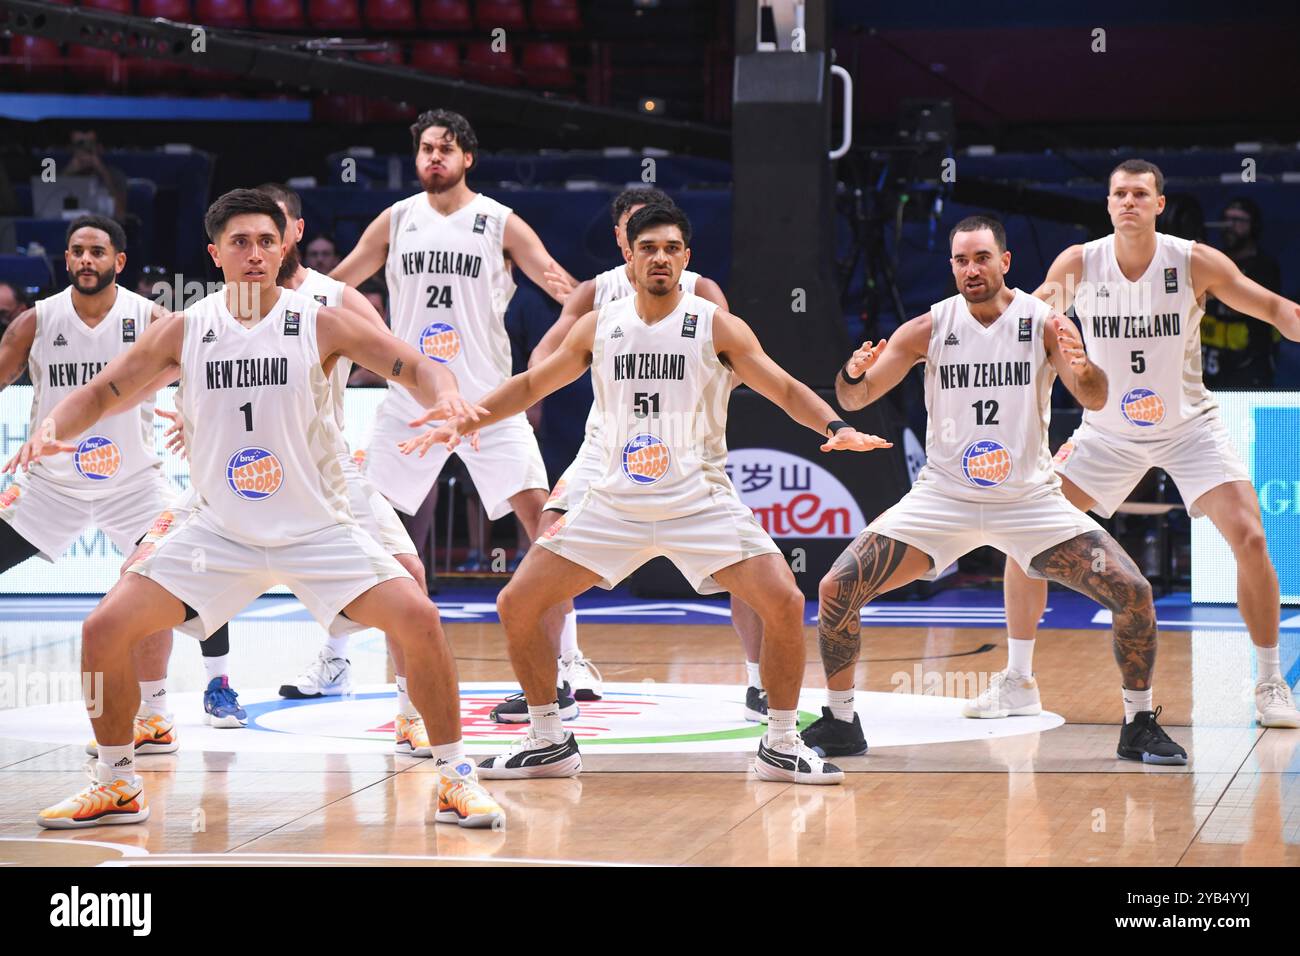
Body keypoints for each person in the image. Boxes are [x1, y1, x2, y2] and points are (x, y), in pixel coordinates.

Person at [16, 189, 503, 829]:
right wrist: (52, 426)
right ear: (214, 253)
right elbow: (104, 390)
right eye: (240, 243)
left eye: (267, 242)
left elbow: (413, 362)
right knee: (102, 629)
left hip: (316, 527)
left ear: (284, 248)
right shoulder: (186, 329)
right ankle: (116, 782)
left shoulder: (319, 320)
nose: (254, 254)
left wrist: (443, 396)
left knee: (418, 616)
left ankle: (455, 775)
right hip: (217, 529)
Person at [402, 204, 891, 784]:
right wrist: (467, 420)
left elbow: (784, 387)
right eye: (648, 248)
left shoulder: (715, 325)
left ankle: (781, 744)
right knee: (516, 604)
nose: (661, 257)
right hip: (614, 503)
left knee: (783, 601)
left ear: (687, 258)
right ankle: (549, 740)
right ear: (629, 259)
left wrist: (835, 427)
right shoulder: (598, 324)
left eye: (672, 248)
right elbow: (533, 383)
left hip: (698, 501)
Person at [803, 214, 1187, 765]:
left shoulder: (1046, 323)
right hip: (944, 499)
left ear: (1005, 262)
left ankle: (1138, 724)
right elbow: (855, 400)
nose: (971, 269)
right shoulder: (930, 328)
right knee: (837, 588)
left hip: (1028, 501)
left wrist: (1086, 367)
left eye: (982, 257)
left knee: (1133, 592)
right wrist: (851, 370)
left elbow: (1096, 398)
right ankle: (841, 723)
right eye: (961, 260)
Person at [996, 160, 1300, 730]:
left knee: (1252, 536)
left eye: (1140, 193)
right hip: (1107, 434)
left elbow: (1277, 310)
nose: (1129, 201)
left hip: (1190, 429)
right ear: (1107, 204)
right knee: (1023, 533)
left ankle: (1270, 683)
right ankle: (1018, 681)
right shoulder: (1080, 263)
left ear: (1160, 204)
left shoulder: (1193, 261)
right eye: (1119, 194)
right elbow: (1030, 322)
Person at [332, 108, 577, 669]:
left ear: (468, 157)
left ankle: (569, 656)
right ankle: (334, 654)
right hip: (412, 397)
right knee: (359, 521)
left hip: (489, 399)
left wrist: (614, 309)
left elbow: (558, 282)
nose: (434, 156)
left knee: (543, 519)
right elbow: (335, 283)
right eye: (425, 149)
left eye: (445, 148)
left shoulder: (499, 221)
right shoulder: (394, 221)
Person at [518, 187, 768, 721]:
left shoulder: (701, 292)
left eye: (665, 242)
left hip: (683, 449)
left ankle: (759, 681)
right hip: (605, 446)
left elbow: (733, 362)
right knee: (547, 535)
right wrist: (517, 398)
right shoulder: (594, 294)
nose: (655, 254)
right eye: (641, 238)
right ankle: (563, 672)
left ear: (680, 248)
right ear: (623, 242)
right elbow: (544, 359)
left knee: (747, 564)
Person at [254, 182, 441, 757]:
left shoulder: (336, 298)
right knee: (153, 585)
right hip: (249, 474)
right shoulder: (222, 308)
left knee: (407, 574)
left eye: (274, 230)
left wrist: (440, 400)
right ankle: (167, 709)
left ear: (294, 233)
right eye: (250, 236)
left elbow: (403, 362)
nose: (263, 246)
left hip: (326, 467)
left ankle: (410, 714)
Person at [0, 215, 182, 753]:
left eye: (96, 252)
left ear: (118, 262)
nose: (85, 260)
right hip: (51, 484)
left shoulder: (150, 317)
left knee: (167, 577)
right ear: (66, 259)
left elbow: (200, 372)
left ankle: (168, 708)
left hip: (133, 482)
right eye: (76, 251)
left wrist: (192, 420)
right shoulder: (35, 321)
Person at [1200, 197, 1282, 388]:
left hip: (1247, 364)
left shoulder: (1264, 267)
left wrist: (1215, 289)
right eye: (1227, 219)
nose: (1230, 225)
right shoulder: (1213, 260)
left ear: (1253, 226)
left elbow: (1245, 307)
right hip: (1209, 361)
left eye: (1238, 220)